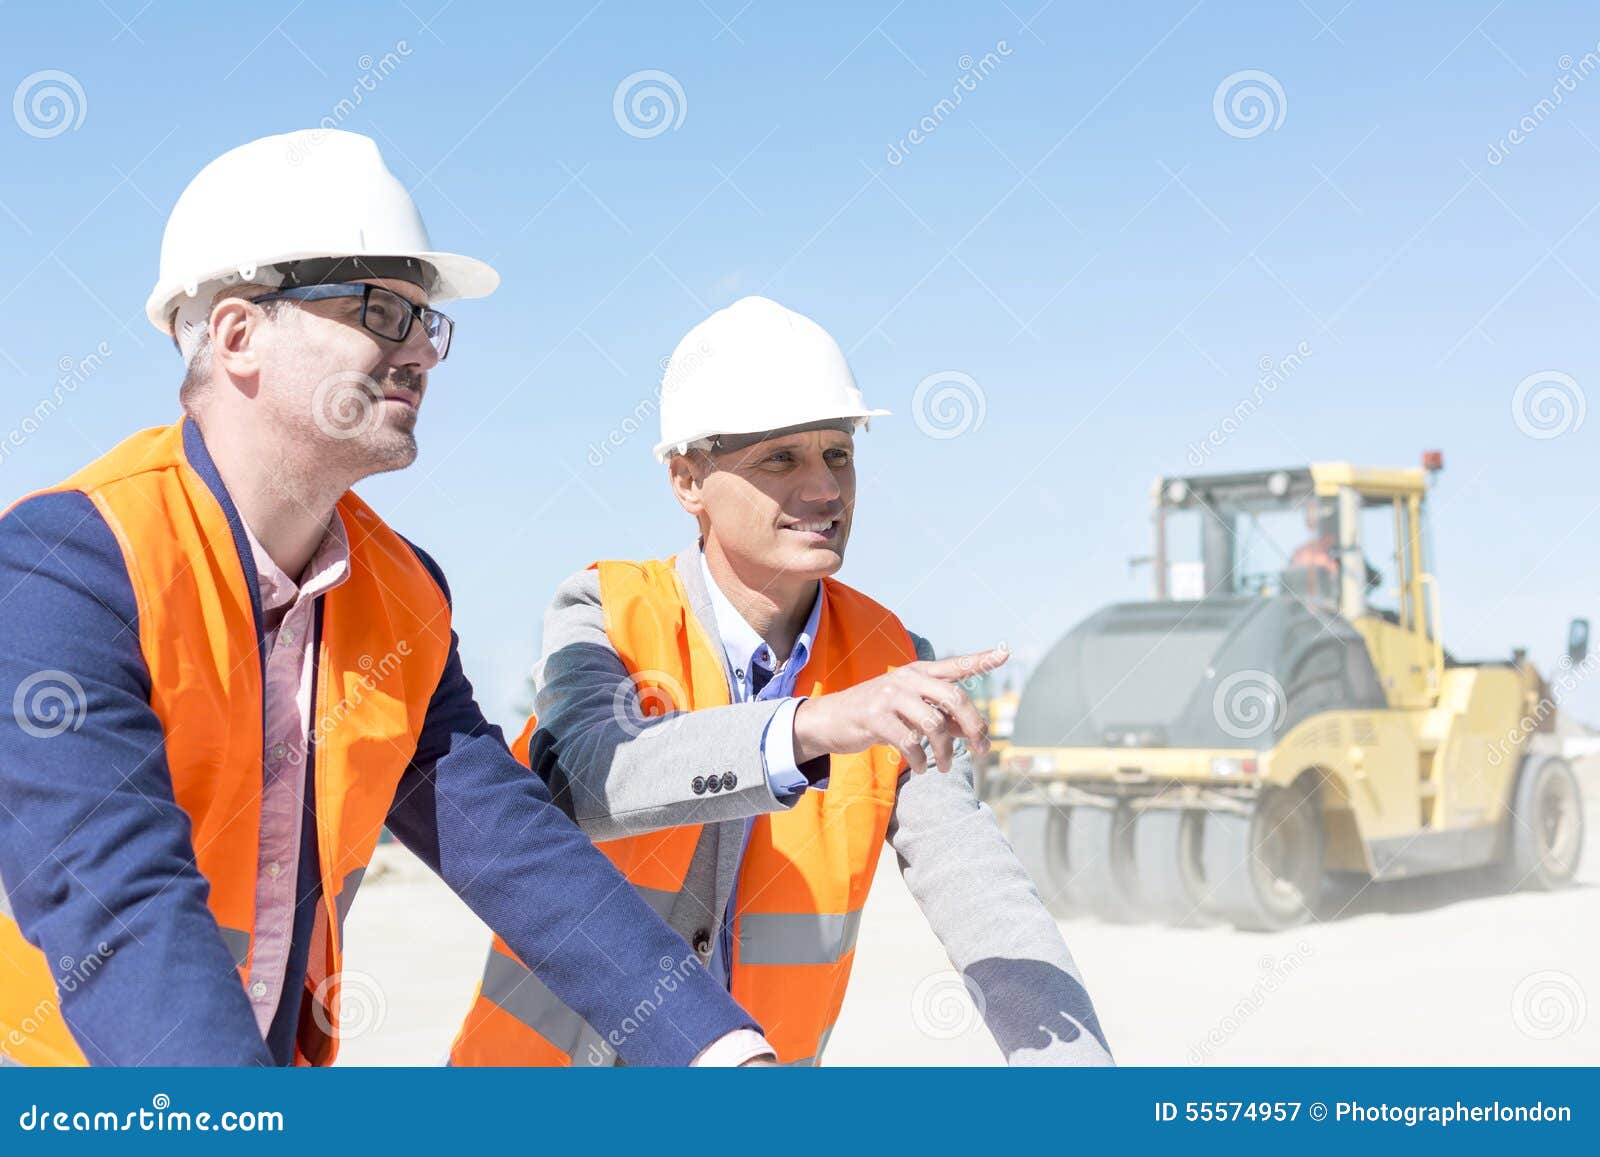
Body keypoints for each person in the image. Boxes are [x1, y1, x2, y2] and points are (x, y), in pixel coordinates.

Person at [0, 130, 771, 1068]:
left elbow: (513, 849)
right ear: (240, 334)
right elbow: (123, 904)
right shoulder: (67, 568)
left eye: (425, 321)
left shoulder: (400, 595)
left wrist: (719, 1050)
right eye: (379, 309)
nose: (421, 353)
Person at [450, 296, 1113, 1066]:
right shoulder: (608, 610)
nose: (825, 489)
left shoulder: (889, 657)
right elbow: (584, 779)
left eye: (838, 453)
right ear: (686, 479)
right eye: (781, 458)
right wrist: (809, 727)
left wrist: (1077, 1078)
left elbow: (980, 888)